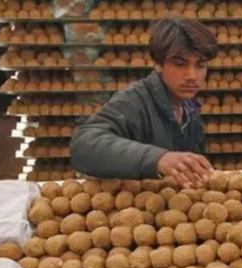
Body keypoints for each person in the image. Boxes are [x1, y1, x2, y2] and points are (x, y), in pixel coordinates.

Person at [70, 17, 216, 188]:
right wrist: (157, 159)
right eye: (179, 64)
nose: (192, 75)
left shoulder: (190, 110)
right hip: (134, 211)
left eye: (200, 65)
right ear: (158, 64)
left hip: (172, 208)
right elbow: (84, 146)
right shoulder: (133, 101)